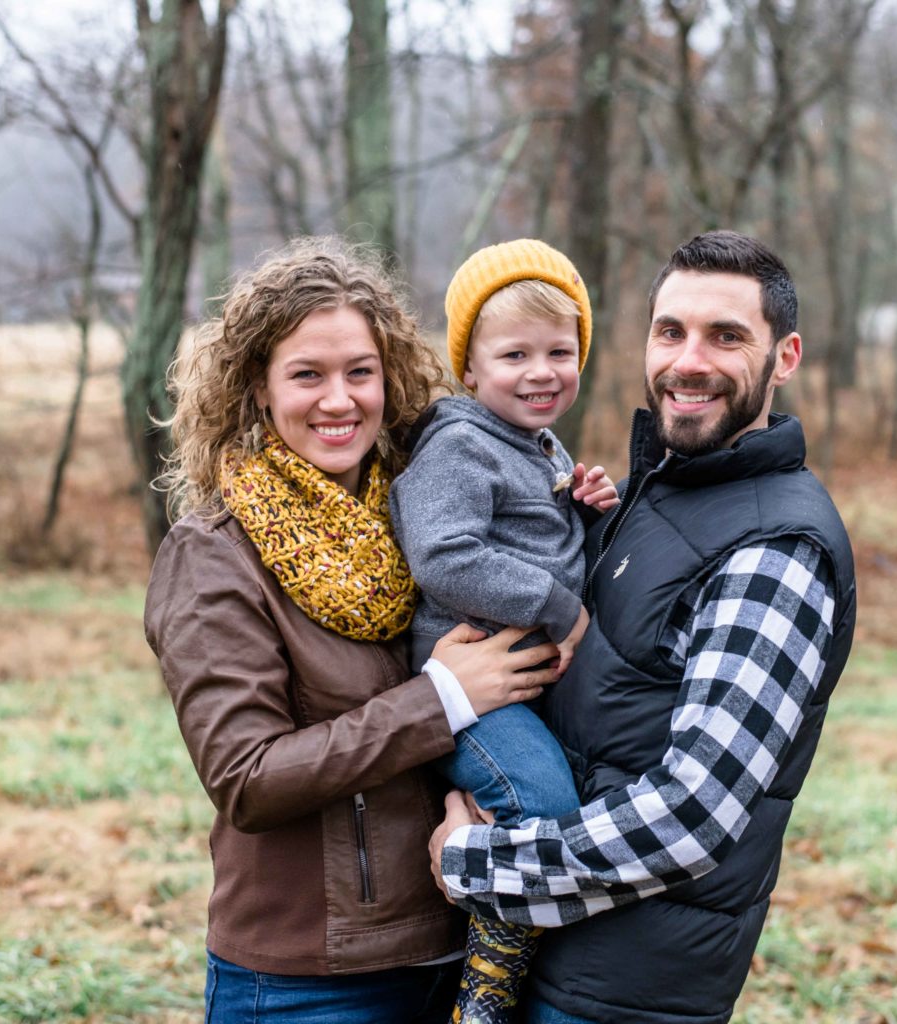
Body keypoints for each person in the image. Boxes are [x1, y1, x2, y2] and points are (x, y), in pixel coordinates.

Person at [430, 231, 859, 1024]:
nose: (688, 361)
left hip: (618, 996)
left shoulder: (775, 550)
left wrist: (477, 866)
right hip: (555, 964)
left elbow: (692, 814)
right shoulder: (658, 491)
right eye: (671, 332)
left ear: (786, 357)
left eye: (727, 336)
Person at [143, 236, 562, 1024]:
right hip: (312, 978)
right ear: (259, 392)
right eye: (307, 374)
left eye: (359, 373)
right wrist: (438, 699)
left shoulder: (427, 511)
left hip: (458, 942)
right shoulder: (214, 557)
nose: (339, 400)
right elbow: (248, 777)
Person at [389, 239, 619, 1023]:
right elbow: (444, 555)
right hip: (476, 689)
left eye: (561, 351)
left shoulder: (537, 445)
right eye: (514, 354)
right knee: (542, 802)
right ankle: (486, 988)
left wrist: (589, 511)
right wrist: (561, 609)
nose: (541, 371)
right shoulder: (458, 444)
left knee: (561, 807)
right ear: (470, 371)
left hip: (524, 687)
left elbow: (538, 538)